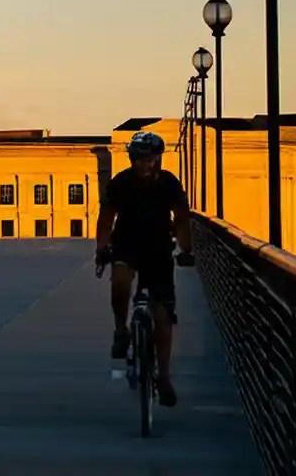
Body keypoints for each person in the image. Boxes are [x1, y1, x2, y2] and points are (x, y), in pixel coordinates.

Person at [95, 130, 195, 407]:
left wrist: (186, 249)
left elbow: (183, 218)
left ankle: (163, 377)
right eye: (139, 159)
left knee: (162, 315)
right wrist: (101, 248)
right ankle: (120, 330)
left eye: (149, 159)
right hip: (126, 244)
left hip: (159, 249)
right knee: (120, 282)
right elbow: (107, 218)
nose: (145, 164)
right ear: (132, 159)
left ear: (158, 159)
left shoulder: (169, 184)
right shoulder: (121, 183)